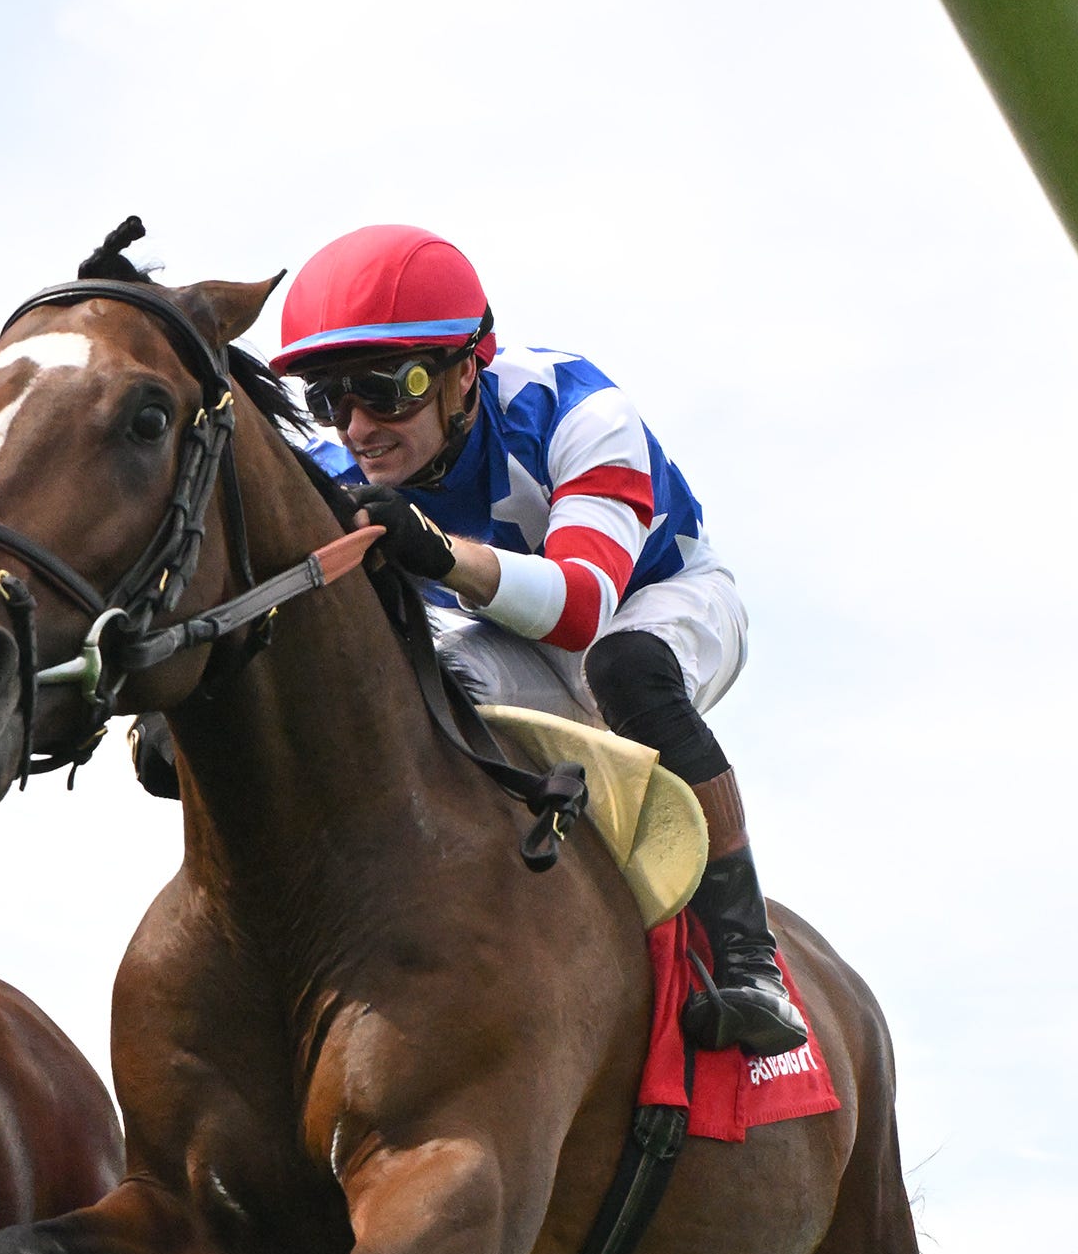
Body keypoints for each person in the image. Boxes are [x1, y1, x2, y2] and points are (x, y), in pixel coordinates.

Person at [268, 225, 807, 1055]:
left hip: (660, 603)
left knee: (624, 668)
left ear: (464, 369)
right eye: (329, 399)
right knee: (418, 698)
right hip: (518, 641)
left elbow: (586, 607)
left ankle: (747, 956)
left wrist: (441, 554)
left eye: (385, 388)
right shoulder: (341, 472)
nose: (358, 428)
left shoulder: (577, 409)